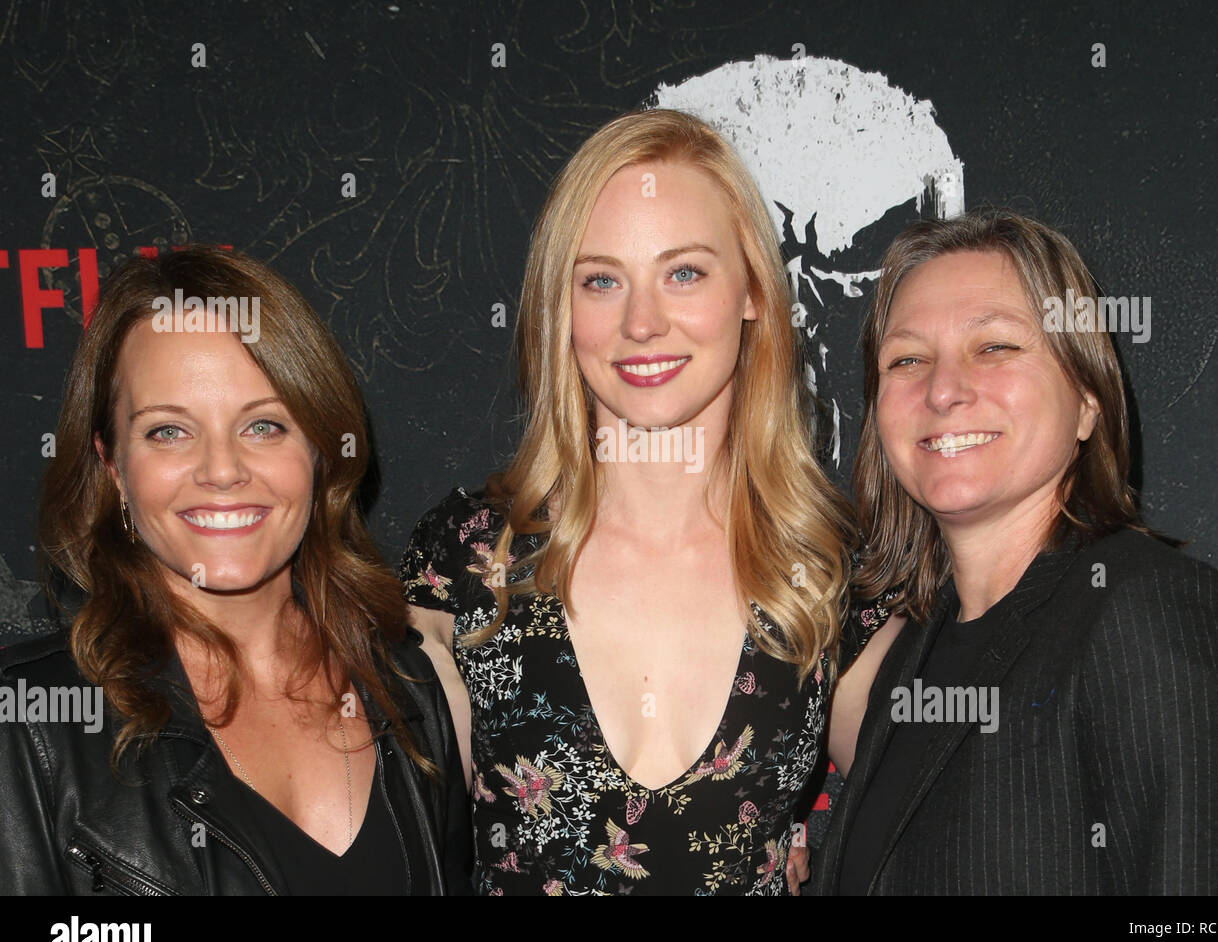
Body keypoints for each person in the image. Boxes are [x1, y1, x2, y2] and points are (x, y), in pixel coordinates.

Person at [401, 108, 895, 895]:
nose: (641, 322)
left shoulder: (836, 574)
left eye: (685, 273)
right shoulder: (469, 557)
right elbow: (367, 826)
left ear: (754, 295)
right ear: (562, 310)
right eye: (601, 280)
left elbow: (966, 803)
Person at [813, 209, 1218, 895]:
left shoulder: (1153, 616)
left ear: (1089, 401)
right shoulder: (910, 659)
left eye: (996, 347)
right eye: (908, 359)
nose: (943, 390)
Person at [0, 246, 471, 895]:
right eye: (168, 431)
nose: (222, 471)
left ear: (318, 450)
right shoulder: (29, 728)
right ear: (112, 467)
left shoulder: (407, 685)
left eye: (264, 425)